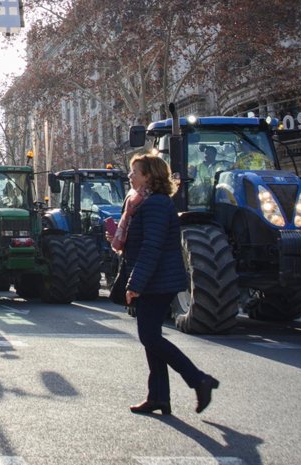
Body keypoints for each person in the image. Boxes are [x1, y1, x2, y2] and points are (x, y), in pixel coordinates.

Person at [120, 153, 219, 416]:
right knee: (152, 338)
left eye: (134, 172)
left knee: (150, 337)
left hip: (156, 281)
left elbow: (151, 247)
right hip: (155, 279)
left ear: (148, 176)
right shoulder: (150, 202)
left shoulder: (154, 204)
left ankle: (199, 380)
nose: (130, 176)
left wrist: (135, 283)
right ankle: (159, 397)